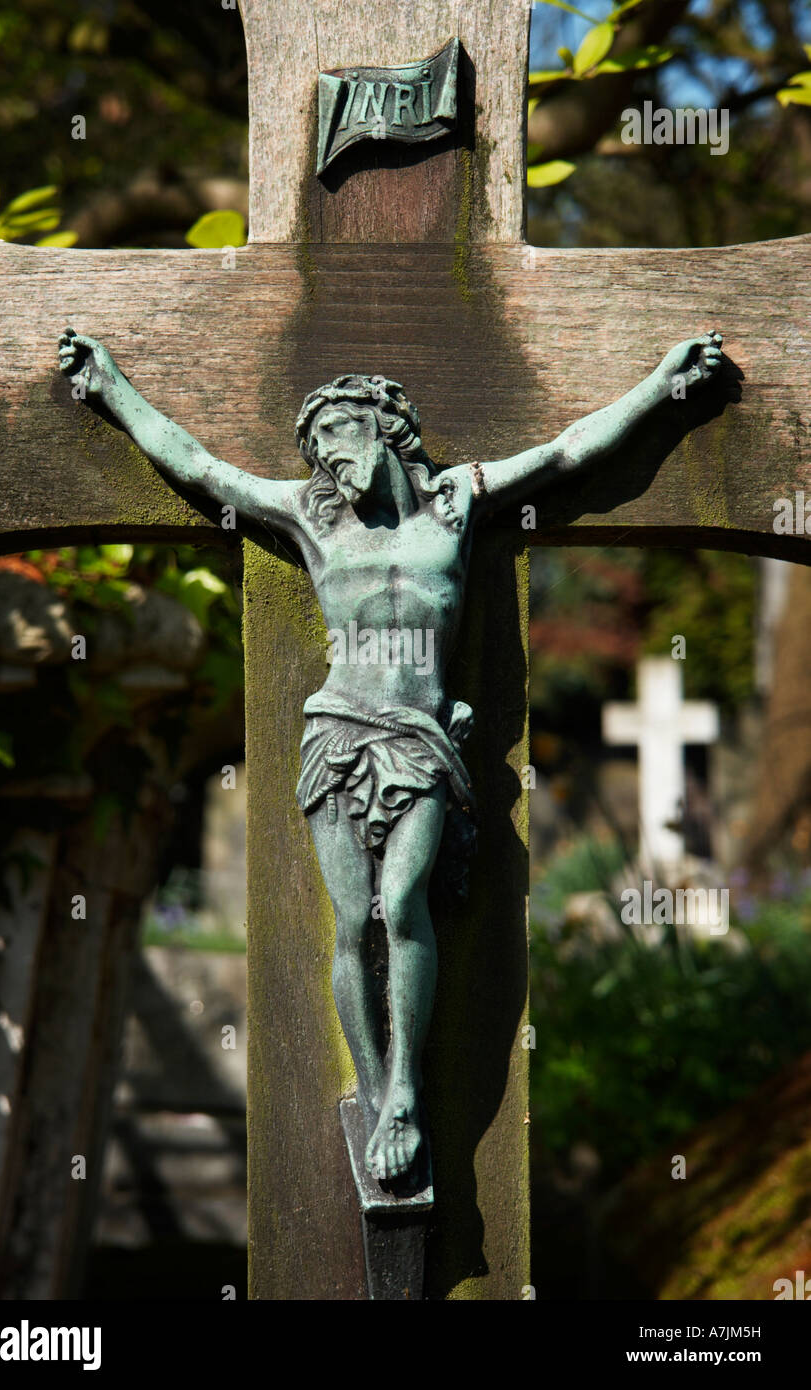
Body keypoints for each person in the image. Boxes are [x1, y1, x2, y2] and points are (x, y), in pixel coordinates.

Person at [58, 327, 723, 1182]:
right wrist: (111, 389)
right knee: (350, 921)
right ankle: (376, 1093)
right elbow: (197, 466)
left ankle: (407, 1087)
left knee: (401, 902)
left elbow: (567, 450)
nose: (329, 464)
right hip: (337, 731)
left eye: (337, 439)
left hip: (418, 739)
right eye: (316, 453)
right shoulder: (311, 518)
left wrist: (661, 383)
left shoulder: (457, 502)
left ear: (383, 426)